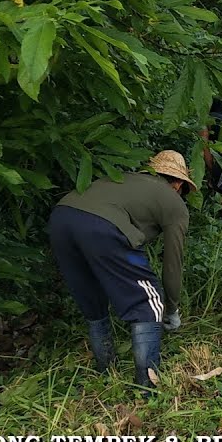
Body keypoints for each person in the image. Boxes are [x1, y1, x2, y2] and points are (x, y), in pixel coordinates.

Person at [48, 150, 193, 390]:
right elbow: (173, 261)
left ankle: (106, 372)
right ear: (178, 183)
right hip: (102, 226)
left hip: (61, 219)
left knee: (92, 301)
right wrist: (172, 309)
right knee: (148, 301)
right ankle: (147, 386)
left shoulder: (123, 179)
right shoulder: (173, 202)